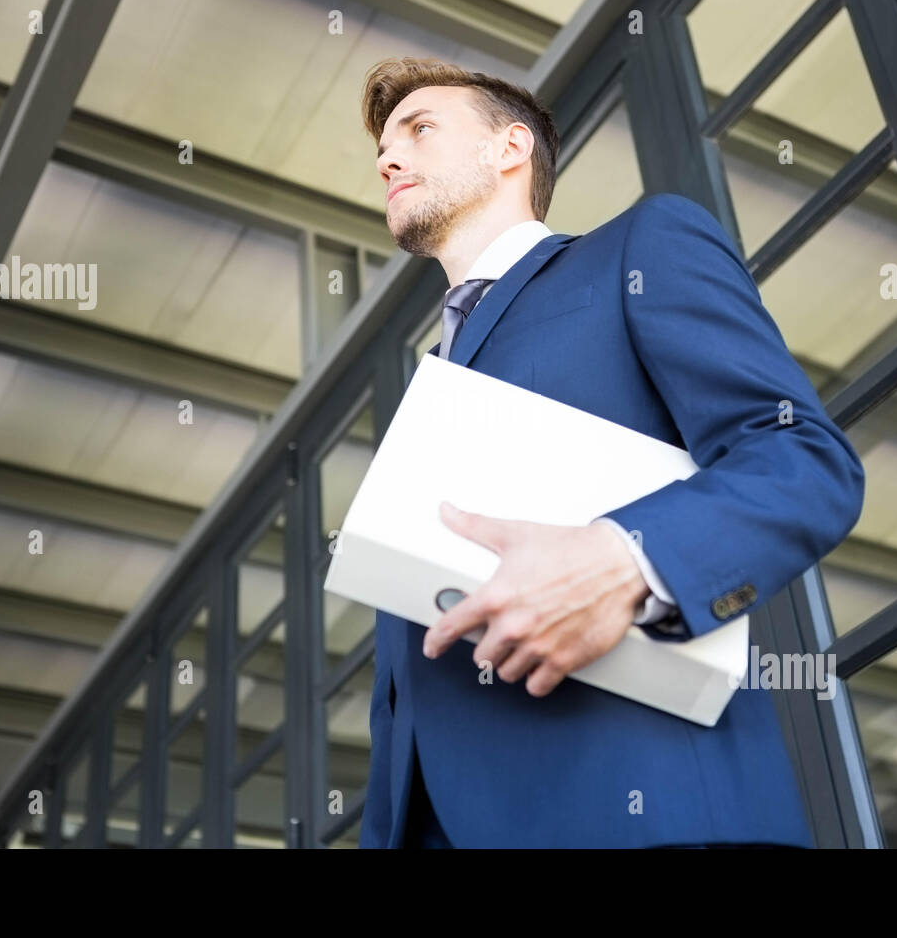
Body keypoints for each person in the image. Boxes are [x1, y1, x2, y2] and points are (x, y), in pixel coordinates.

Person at [356, 56, 864, 848]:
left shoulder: (639, 248)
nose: (388, 158)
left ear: (510, 148)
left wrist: (627, 559)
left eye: (419, 130)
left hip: (639, 816)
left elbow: (802, 461)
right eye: (384, 147)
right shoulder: (431, 389)